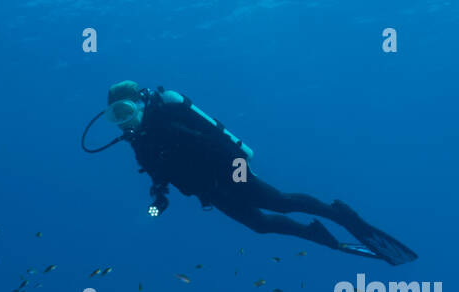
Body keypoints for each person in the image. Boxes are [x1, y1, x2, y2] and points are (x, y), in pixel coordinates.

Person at [83, 81, 417, 265]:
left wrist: (239, 155)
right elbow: (159, 172)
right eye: (116, 117)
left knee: (280, 202)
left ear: (139, 103)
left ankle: (339, 214)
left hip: (231, 167)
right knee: (259, 225)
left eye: (126, 111)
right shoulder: (138, 142)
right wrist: (159, 196)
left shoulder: (167, 108)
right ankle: (316, 234)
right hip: (208, 189)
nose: (124, 121)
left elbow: (212, 130)